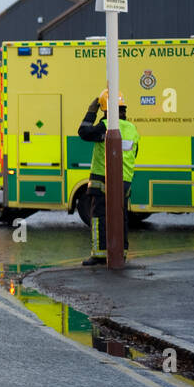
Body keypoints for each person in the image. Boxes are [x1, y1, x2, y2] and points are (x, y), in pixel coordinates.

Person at [78, 89, 140, 266]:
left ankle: (99, 254)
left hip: (103, 178)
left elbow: (83, 132)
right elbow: (135, 153)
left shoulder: (106, 125)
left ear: (106, 110)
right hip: (125, 180)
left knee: (99, 216)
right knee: (121, 217)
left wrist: (91, 112)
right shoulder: (132, 128)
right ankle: (122, 251)